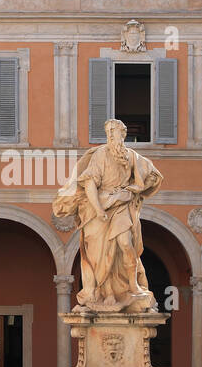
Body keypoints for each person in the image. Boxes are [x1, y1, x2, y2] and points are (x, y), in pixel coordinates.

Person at [53, 117, 163, 311]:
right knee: (101, 253)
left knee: (125, 244)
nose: (112, 136)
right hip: (102, 206)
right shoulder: (100, 155)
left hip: (122, 206)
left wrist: (133, 189)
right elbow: (90, 184)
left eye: (116, 132)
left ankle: (133, 285)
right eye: (109, 133)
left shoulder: (132, 156)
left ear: (123, 134)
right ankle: (107, 293)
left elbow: (153, 176)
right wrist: (98, 210)